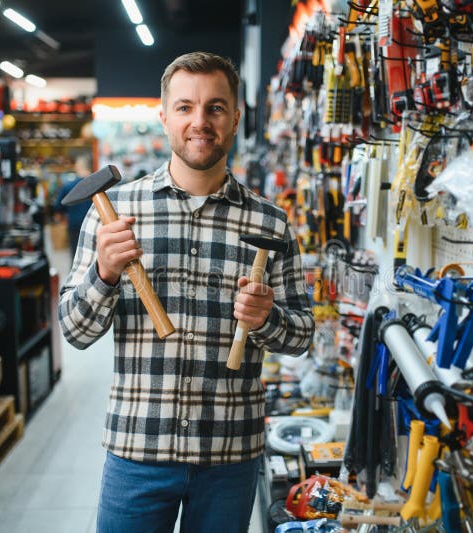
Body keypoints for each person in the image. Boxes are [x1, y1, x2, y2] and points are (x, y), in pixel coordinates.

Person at [58, 52, 315, 533]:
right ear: (164, 116)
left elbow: (300, 336)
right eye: (185, 108)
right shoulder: (114, 211)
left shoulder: (270, 222)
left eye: (215, 107)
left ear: (236, 117)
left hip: (229, 455)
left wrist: (266, 319)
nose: (200, 122)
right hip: (138, 450)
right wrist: (106, 273)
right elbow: (74, 331)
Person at [53, 155, 93, 259]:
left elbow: (58, 207)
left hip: (75, 227)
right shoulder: (98, 184)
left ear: (78, 166)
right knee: (95, 257)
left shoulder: (68, 186)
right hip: (95, 226)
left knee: (77, 256)